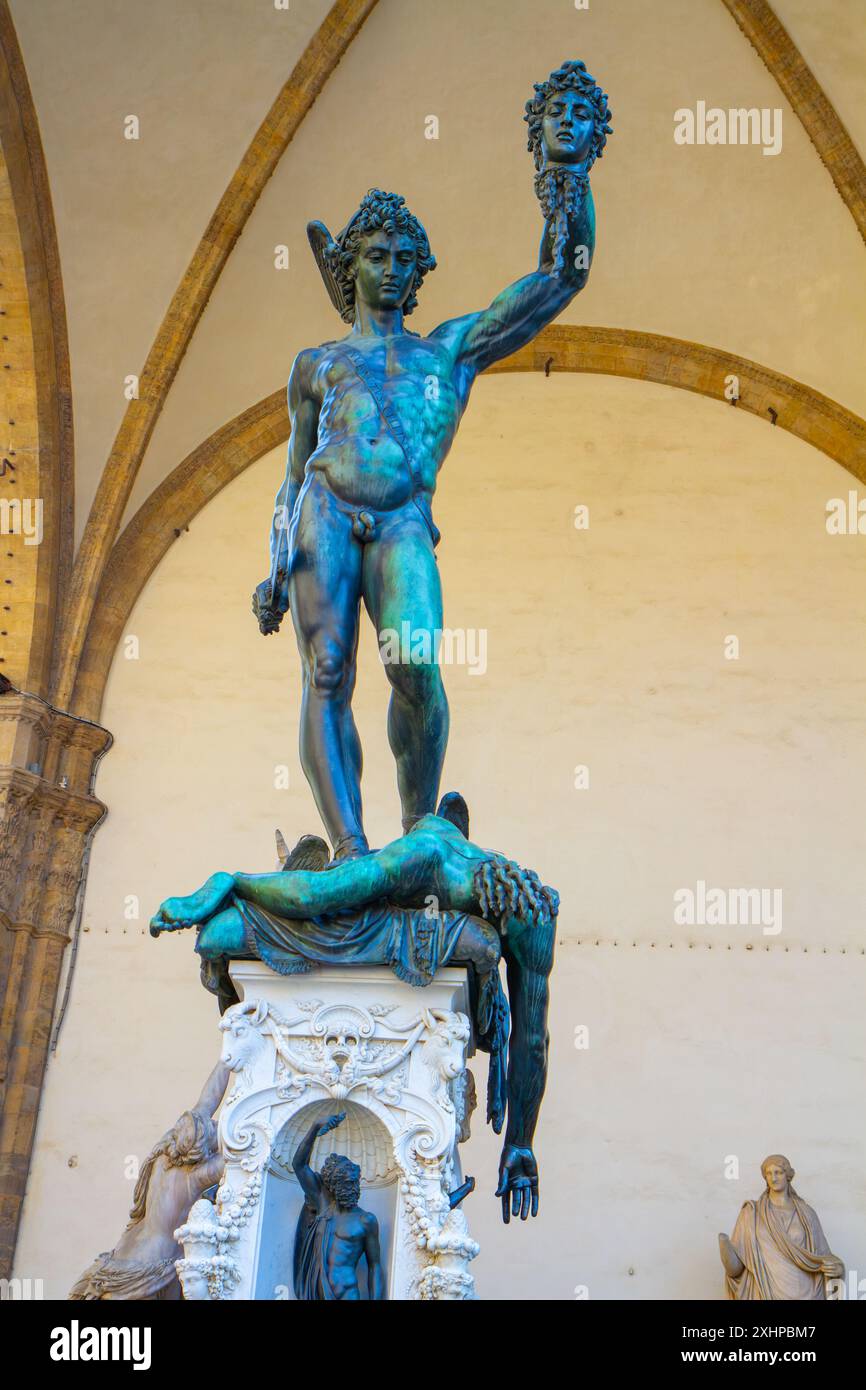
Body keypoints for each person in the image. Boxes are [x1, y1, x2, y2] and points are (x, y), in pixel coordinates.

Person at [291, 1112, 385, 1301]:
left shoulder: (366, 1220)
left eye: (354, 1183)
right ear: (333, 1186)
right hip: (315, 1293)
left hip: (347, 1294)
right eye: (347, 1184)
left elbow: (375, 1266)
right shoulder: (323, 1204)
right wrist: (315, 1127)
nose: (353, 1188)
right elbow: (299, 1165)